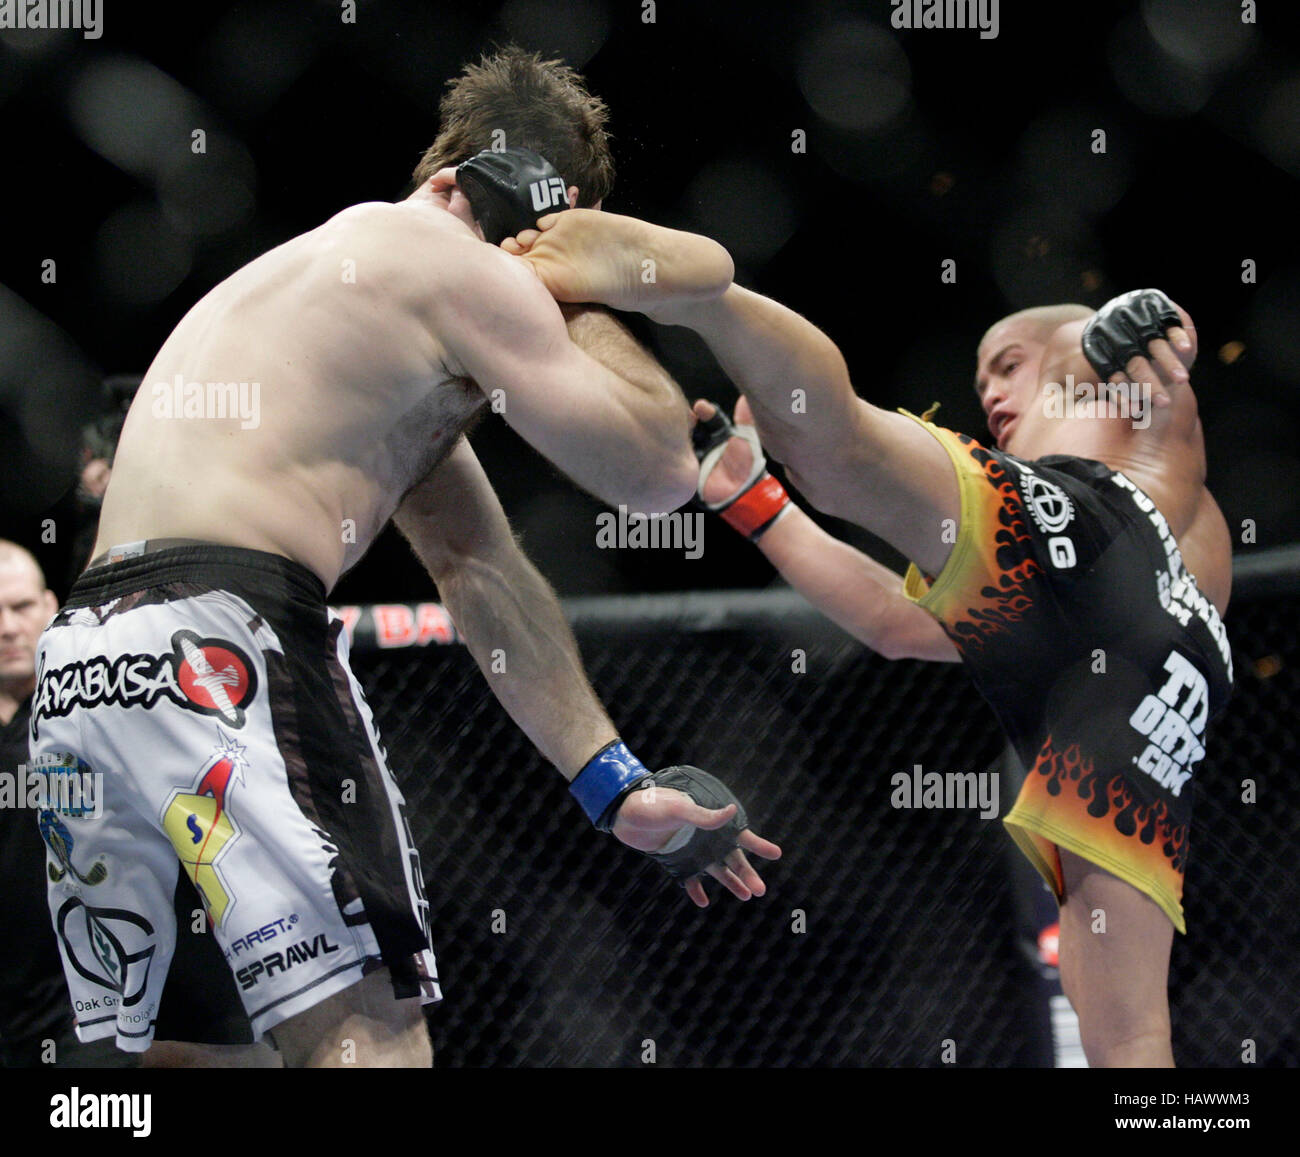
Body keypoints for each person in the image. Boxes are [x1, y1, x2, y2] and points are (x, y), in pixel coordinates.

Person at [28, 48, 778, 1069]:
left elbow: (481, 568)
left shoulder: (341, 312)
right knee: (372, 1035)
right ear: (461, 186)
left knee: (153, 1058)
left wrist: (615, 783)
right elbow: (654, 472)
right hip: (228, 641)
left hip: (88, 662)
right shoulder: (442, 254)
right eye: (542, 234)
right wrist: (583, 291)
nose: (539, 267)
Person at [505, 208, 1231, 1068]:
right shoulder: (1152, 517)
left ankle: (707, 295)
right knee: (1128, 1040)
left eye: (1007, 365)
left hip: (1100, 543)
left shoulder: (1109, 384)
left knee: (836, 448)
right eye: (982, 376)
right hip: (1165, 683)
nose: (992, 395)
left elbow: (1148, 334)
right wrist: (756, 504)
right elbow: (894, 623)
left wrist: (1139, 314)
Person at [0, 542, 134, 1066]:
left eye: (21, 607)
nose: (8, 629)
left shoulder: (104, 717)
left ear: (52, 607)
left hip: (93, 1020)